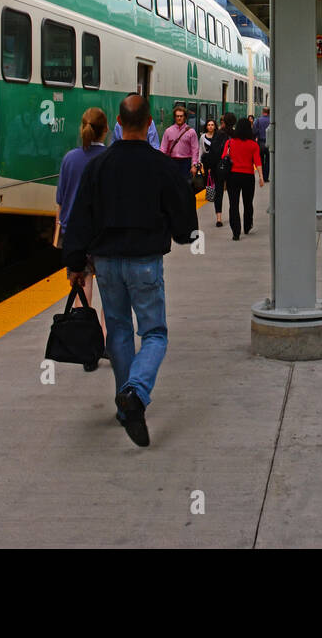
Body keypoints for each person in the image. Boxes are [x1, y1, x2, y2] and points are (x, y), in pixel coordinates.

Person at [63, 94, 198, 447]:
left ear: (119, 124)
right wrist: (182, 233)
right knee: (153, 333)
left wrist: (75, 263)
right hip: (144, 261)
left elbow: (78, 217)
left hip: (106, 262)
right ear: (150, 123)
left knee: (119, 331)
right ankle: (135, 393)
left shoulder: (99, 166)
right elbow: (185, 222)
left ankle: (126, 408)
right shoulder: (162, 166)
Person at [55, 107, 108, 372]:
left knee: (82, 288)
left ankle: (87, 350)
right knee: (111, 291)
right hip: (105, 235)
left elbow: (61, 200)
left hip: (76, 235)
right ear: (106, 129)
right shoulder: (110, 158)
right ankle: (109, 343)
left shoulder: (70, 159)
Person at [221, 116, 263, 240]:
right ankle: (247, 225)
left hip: (233, 176)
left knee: (233, 204)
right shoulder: (253, 145)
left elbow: (224, 157)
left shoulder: (229, 143)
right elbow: (258, 161)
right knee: (248, 203)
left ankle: (236, 232)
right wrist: (260, 176)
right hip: (248, 177)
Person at [202, 112, 234, 228]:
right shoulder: (236, 134)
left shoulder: (219, 134)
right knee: (233, 194)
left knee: (219, 192)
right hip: (233, 168)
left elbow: (213, 153)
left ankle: (219, 218)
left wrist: (210, 167)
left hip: (219, 167)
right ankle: (233, 216)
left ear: (224, 122)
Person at [161, 104, 200, 183]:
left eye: (181, 116)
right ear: (174, 117)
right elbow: (163, 149)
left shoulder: (191, 132)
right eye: (177, 116)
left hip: (186, 163)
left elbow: (195, 149)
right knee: (172, 185)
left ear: (185, 117)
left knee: (185, 186)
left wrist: (194, 165)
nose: (179, 118)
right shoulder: (168, 131)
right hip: (172, 161)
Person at [253, 106, 271, 182]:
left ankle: (261, 176)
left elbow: (254, 131)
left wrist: (257, 136)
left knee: (260, 160)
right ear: (269, 112)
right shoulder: (271, 120)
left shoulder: (258, 120)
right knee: (268, 160)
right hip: (270, 143)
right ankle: (266, 177)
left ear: (262, 112)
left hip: (260, 143)